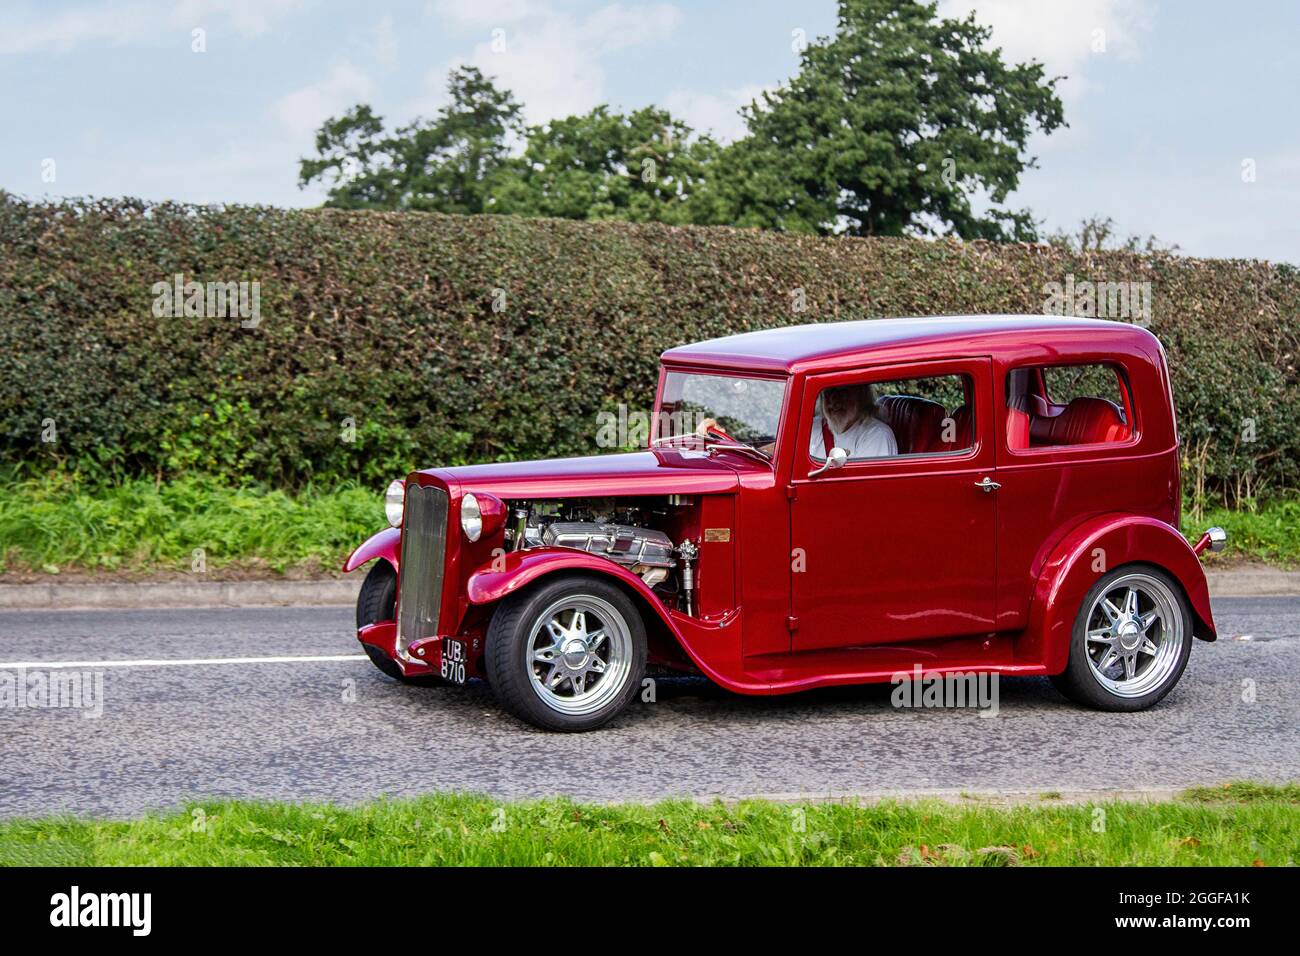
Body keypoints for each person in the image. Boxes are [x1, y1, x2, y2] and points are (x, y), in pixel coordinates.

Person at [810, 383, 897, 460]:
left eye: (842, 392)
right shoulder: (812, 428)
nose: (833, 401)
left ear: (861, 395)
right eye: (828, 393)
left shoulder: (877, 435)